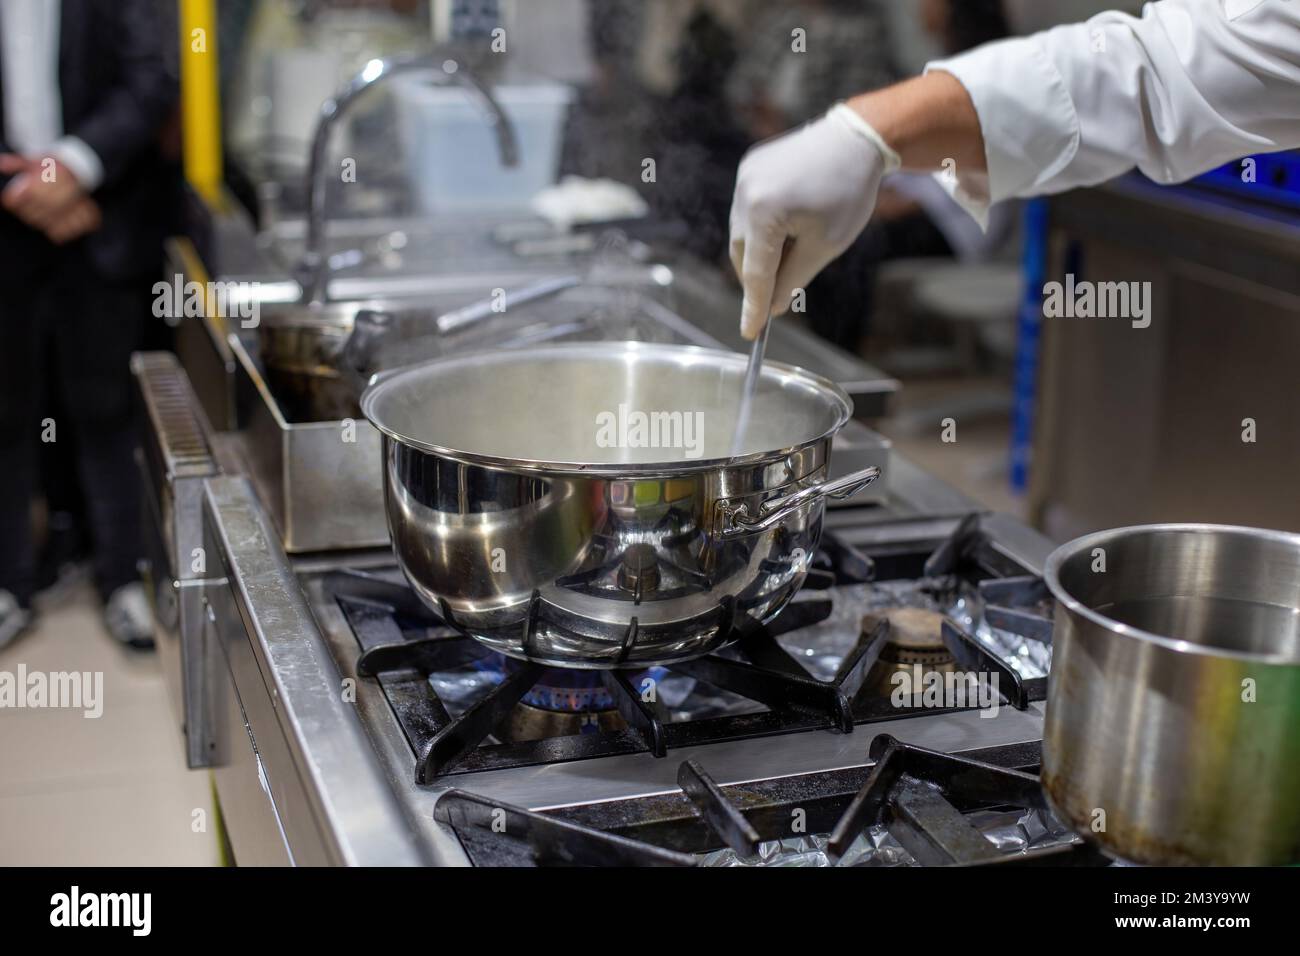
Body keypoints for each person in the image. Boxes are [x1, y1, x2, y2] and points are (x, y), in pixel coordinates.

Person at [729, 0, 1300, 340]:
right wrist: (868, 130)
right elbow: (1158, 74)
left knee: (858, 257)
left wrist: (873, 137)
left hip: (960, 230)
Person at [0, 1, 180, 649]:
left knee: (108, 406)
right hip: (10, 211)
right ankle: (9, 582)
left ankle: (124, 575)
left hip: (103, 211)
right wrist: (28, 189)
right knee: (7, 410)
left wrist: (71, 168)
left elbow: (152, 78)